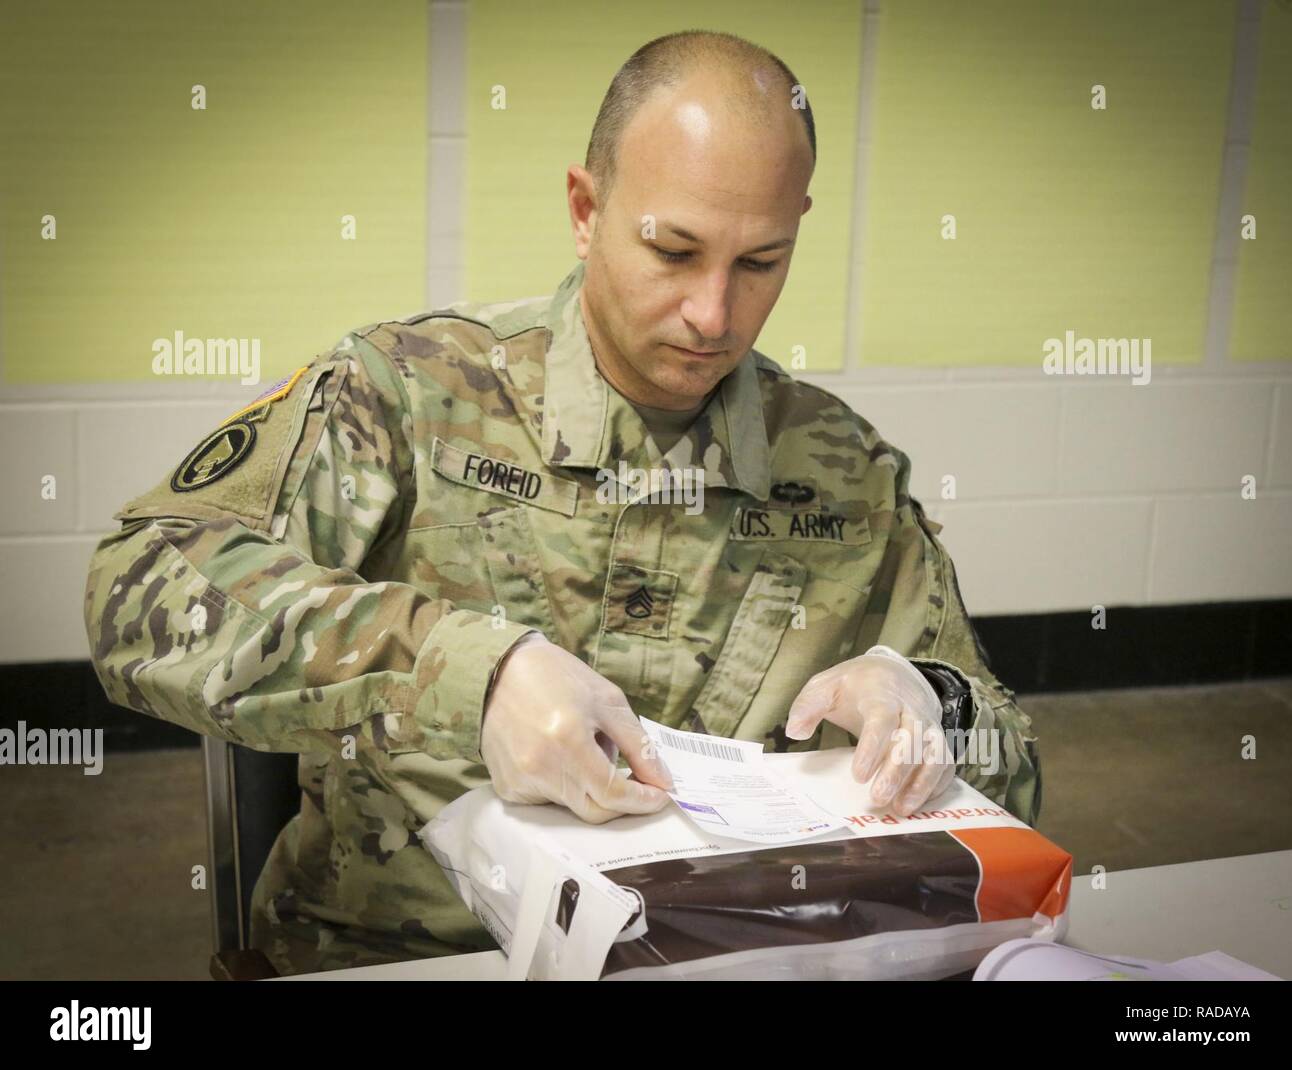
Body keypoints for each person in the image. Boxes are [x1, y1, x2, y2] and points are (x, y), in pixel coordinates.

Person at [84, 29, 1040, 977]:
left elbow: (1017, 772)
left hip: (724, 960)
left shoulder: (845, 470)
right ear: (586, 209)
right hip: (411, 957)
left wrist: (936, 711)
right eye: (674, 250)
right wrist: (468, 674)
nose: (714, 314)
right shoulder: (409, 395)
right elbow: (136, 585)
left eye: (760, 264)